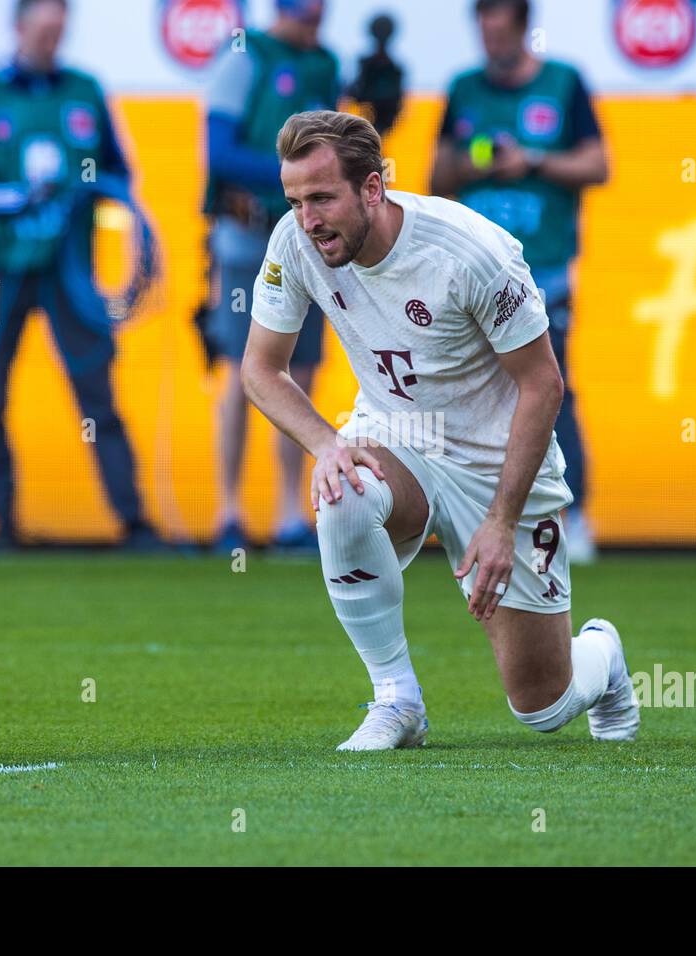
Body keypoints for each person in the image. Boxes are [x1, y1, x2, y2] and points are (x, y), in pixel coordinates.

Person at [241, 110, 638, 750]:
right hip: (400, 437)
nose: (307, 219)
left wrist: (502, 521)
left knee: (542, 705)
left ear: (373, 187)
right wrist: (326, 443)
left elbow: (544, 386)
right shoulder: (295, 241)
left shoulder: (471, 252)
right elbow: (261, 370)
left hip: (496, 462)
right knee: (341, 489)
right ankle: (397, 701)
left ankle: (602, 655)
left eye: (322, 198)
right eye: (295, 200)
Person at [0, 0, 160, 549]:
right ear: (19, 27)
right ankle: (3, 528)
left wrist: (92, 194)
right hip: (1, 268)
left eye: (59, 29)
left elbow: (119, 172)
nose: (51, 38)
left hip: (70, 270)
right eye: (42, 28)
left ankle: (134, 523)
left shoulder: (86, 90)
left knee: (97, 393)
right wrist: (21, 196)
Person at [430, 0, 609, 563]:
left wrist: (531, 161)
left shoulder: (564, 83)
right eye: (482, 30)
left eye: (499, 30)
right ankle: (469, 515)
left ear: (523, 27)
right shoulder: (461, 88)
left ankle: (572, 517)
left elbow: (598, 164)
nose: (490, 41)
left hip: (543, 273)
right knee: (470, 392)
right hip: (472, 277)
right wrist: (474, 164)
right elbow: (435, 177)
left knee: (549, 389)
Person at [201, 0, 339, 553]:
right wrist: (299, 174)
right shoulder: (245, 54)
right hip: (246, 235)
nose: (315, 20)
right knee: (243, 371)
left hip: (309, 239)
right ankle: (229, 512)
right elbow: (218, 152)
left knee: (300, 374)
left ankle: (289, 513)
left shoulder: (325, 64)